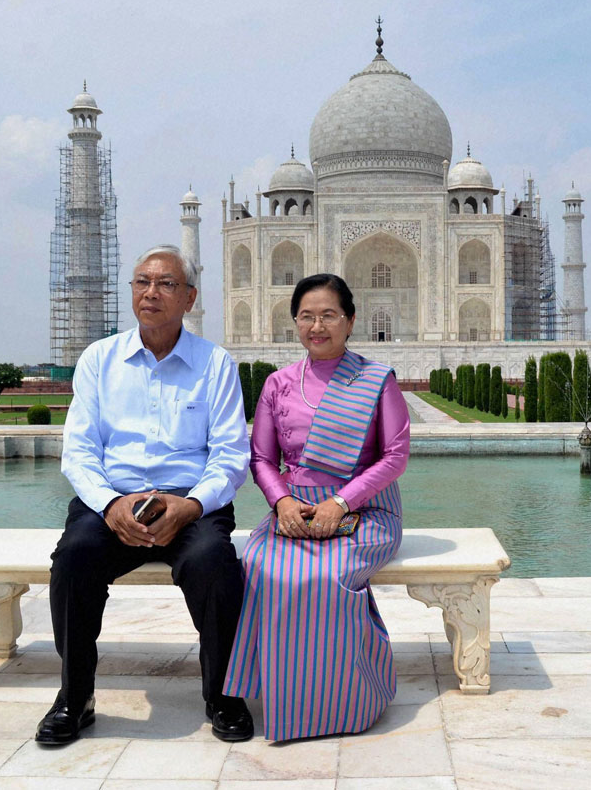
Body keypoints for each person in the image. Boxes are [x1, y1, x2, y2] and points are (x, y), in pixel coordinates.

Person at [35, 245, 254, 745]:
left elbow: (229, 455)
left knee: (214, 563)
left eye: (166, 283)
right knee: (73, 558)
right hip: (114, 499)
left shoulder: (214, 364)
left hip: (190, 501)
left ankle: (223, 693)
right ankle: (75, 697)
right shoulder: (100, 359)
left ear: (190, 298)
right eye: (141, 282)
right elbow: (81, 451)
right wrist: (111, 505)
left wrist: (192, 505)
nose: (151, 292)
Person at [223, 273, 410, 741]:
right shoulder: (279, 384)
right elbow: (262, 458)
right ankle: (284, 695)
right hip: (295, 510)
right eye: (307, 316)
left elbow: (395, 456)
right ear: (295, 322)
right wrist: (282, 501)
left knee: (326, 575)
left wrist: (342, 502)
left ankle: (349, 699)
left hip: (366, 510)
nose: (317, 325)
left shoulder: (375, 380)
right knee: (262, 566)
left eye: (328, 315)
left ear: (349, 321)